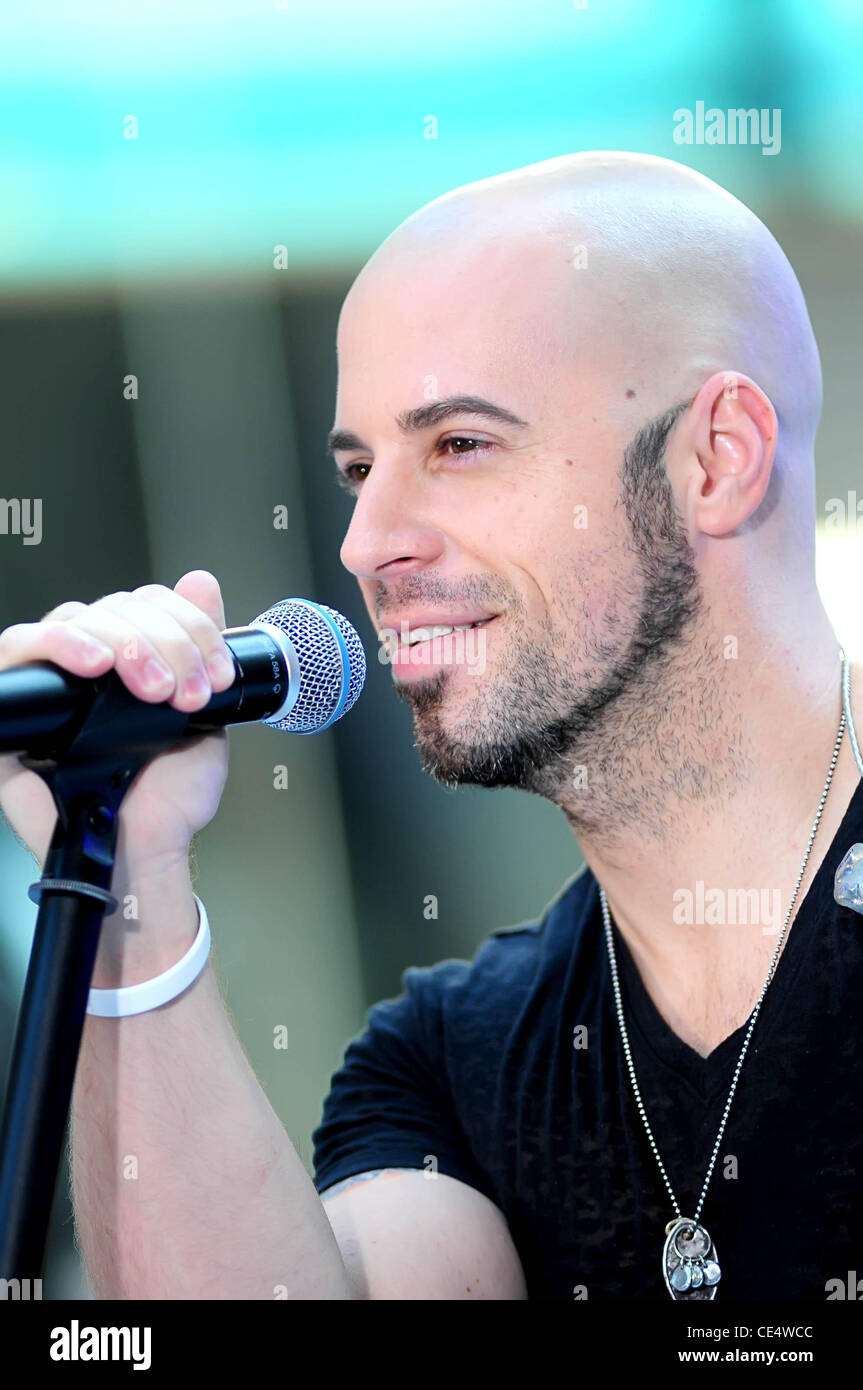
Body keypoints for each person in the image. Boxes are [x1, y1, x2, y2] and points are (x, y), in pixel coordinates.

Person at [1, 151, 860, 1300]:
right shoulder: (451, 1059)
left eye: (457, 444)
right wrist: (131, 884)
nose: (365, 543)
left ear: (715, 458)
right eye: (359, 469)